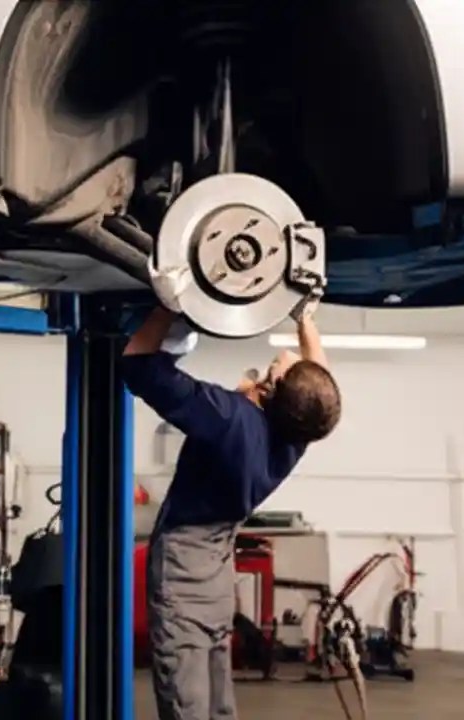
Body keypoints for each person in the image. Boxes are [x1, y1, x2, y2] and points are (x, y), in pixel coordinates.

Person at [122, 294, 341, 720]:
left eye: (286, 365)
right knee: (218, 704)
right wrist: (306, 317)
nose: (290, 358)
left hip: (184, 572)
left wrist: (166, 305)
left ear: (272, 386)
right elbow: (320, 380)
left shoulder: (227, 417)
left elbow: (136, 363)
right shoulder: (294, 433)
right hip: (218, 571)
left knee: (186, 701)